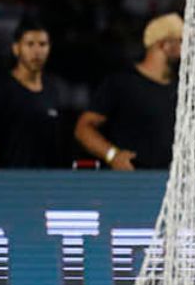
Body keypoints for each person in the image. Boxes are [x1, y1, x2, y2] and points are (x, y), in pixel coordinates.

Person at [75, 12, 181, 170]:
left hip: (171, 185)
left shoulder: (182, 88)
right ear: (164, 45)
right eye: (182, 41)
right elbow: (83, 128)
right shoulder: (121, 82)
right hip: (130, 185)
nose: (189, 50)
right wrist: (112, 155)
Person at [0, 16, 66, 169]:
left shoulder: (53, 90)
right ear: (16, 48)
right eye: (30, 44)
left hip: (44, 184)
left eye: (42, 44)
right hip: (8, 182)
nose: (37, 51)